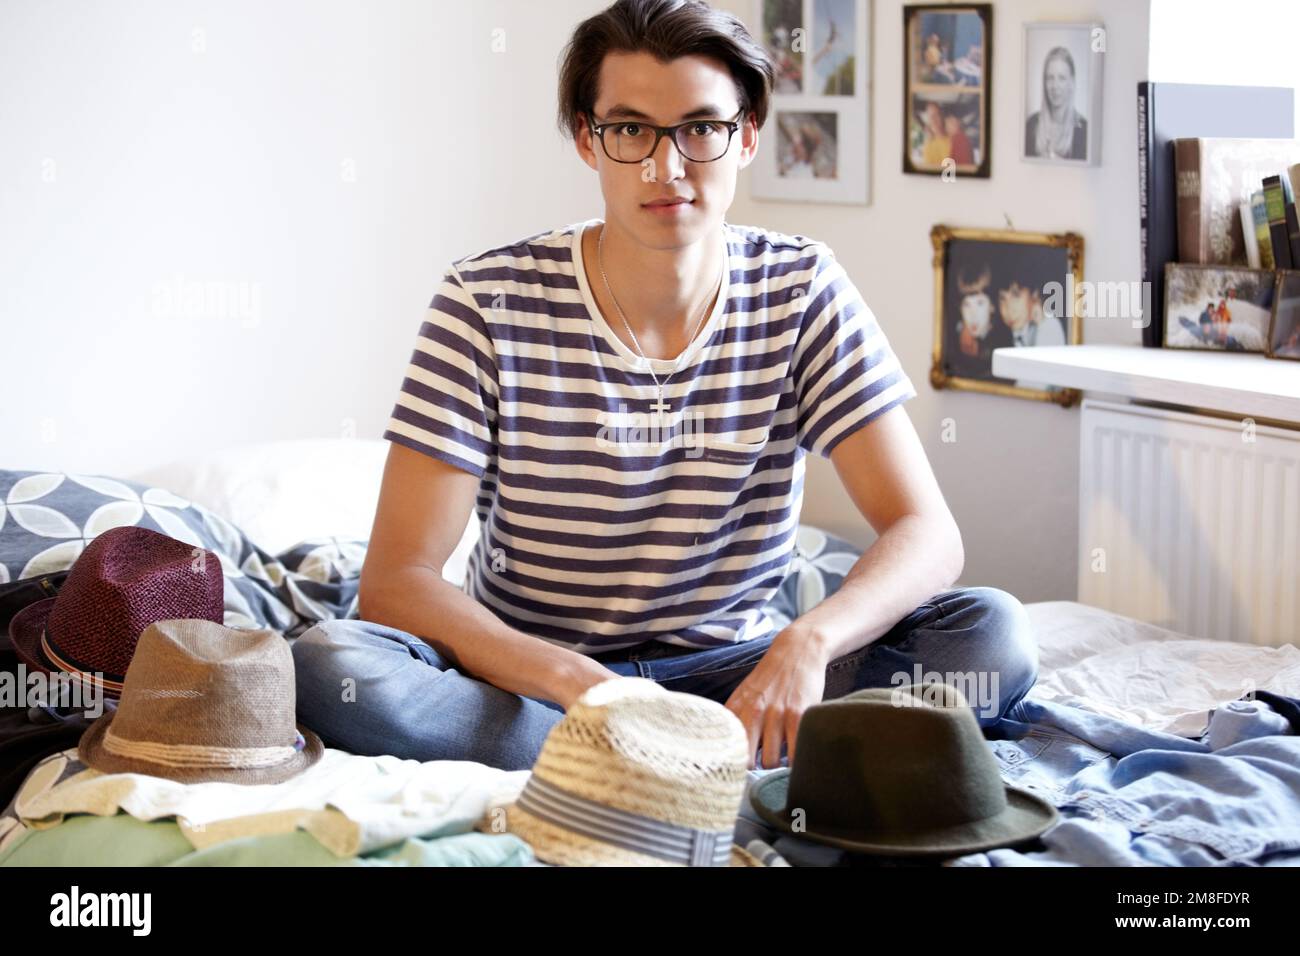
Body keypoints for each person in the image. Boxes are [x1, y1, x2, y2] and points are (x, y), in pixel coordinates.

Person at [292, 0, 1038, 775]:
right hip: (539, 682)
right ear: (588, 139)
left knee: (992, 636)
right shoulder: (485, 300)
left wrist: (804, 643)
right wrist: (576, 682)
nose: (666, 167)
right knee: (331, 665)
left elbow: (926, 532)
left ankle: (646, 758)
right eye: (630, 130)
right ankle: (694, 759)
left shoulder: (802, 287)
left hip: (737, 674)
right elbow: (396, 581)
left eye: (700, 129)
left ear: (745, 135)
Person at [1024, 45, 1087, 160]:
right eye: (1050, 78)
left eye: (1062, 78)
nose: (1055, 86)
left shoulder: (1084, 131)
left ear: (1071, 83)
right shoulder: (1031, 125)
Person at [920, 102, 951, 166]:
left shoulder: (954, 137)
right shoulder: (928, 146)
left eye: (936, 115)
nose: (933, 119)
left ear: (942, 116)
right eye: (930, 116)